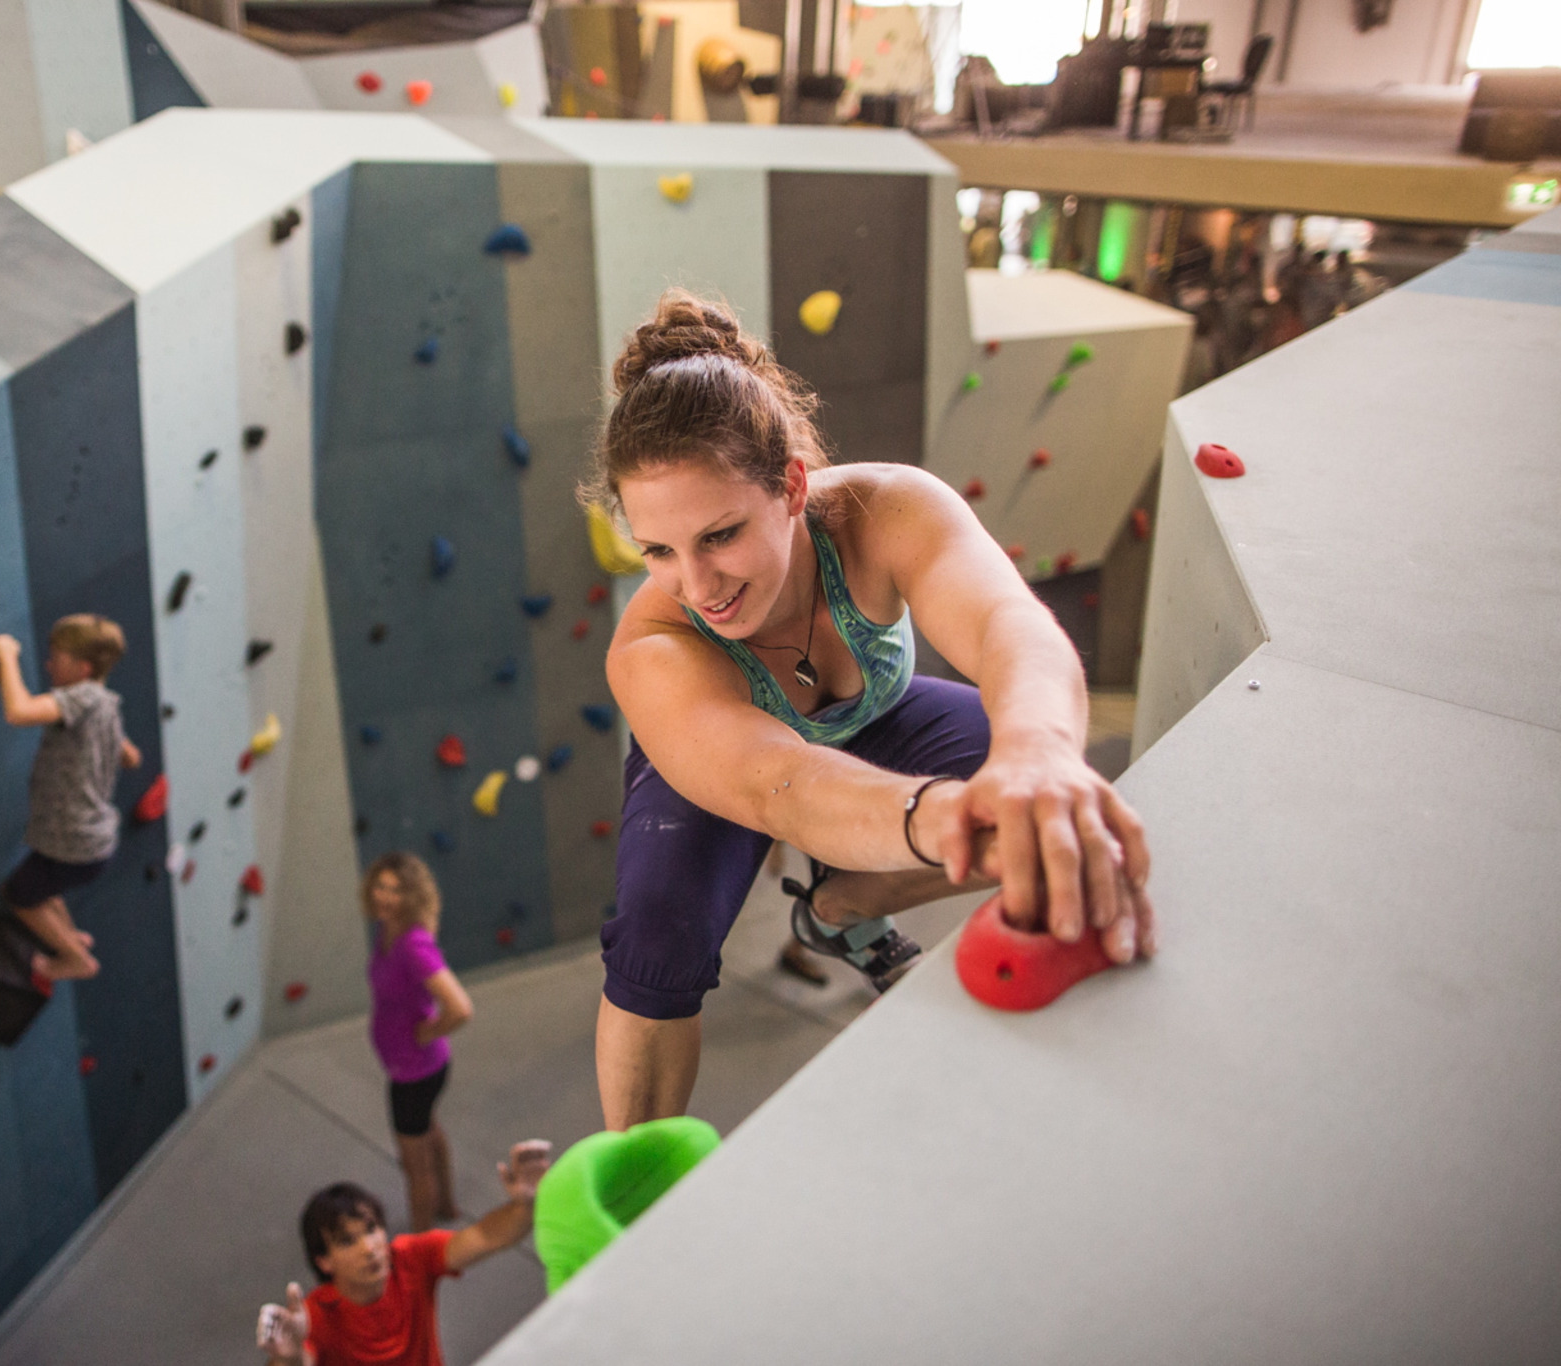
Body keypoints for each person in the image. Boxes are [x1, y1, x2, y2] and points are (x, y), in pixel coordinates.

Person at [588, 291, 1156, 1130]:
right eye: (659, 551)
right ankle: (630, 1174)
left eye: (720, 535)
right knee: (656, 938)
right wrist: (939, 814)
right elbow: (776, 784)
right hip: (734, 765)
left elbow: (1006, 624)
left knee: (1061, 801)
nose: (698, 585)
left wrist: (1037, 751)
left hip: (877, 719)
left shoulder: (885, 512)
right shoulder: (655, 643)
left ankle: (841, 908)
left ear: (791, 486)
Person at [255, 1141, 553, 1366]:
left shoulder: (411, 1257)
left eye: (371, 1229)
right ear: (323, 1261)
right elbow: (300, 1359)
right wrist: (289, 1357)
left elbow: (486, 1236)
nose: (369, 1248)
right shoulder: (315, 1315)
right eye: (347, 1242)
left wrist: (525, 1206)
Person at [0, 615, 141, 982]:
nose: (48, 664)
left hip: (72, 842)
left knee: (19, 895)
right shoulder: (106, 701)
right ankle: (70, 938)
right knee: (47, 889)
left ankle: (74, 960)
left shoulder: (82, 697)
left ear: (82, 668)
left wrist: (6, 656)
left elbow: (19, 711)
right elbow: (132, 758)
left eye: (57, 658)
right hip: (87, 839)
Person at [363, 853, 473, 1234]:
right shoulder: (388, 929)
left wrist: (428, 1031)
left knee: (415, 1167)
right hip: (416, 1066)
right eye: (380, 886)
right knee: (430, 1131)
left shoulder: (412, 944)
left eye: (396, 890)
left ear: (412, 896)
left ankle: (421, 1246)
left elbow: (460, 1008)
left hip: (414, 1073)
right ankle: (447, 1205)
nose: (384, 896)